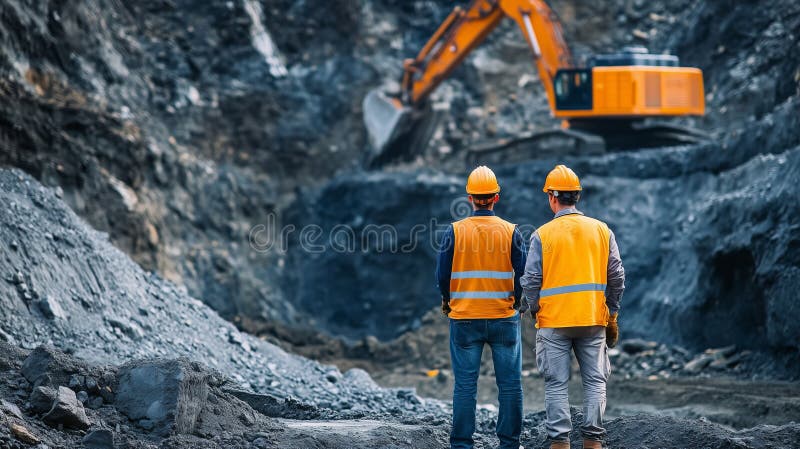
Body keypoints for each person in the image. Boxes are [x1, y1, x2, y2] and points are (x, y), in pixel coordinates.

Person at [520, 164, 625, 449]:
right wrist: (611, 313)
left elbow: (530, 280)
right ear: (576, 196)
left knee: (556, 385)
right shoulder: (602, 231)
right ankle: (593, 442)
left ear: (552, 198)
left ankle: (560, 444)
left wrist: (534, 308)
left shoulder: (542, 235)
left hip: (554, 321)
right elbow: (617, 276)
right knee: (594, 382)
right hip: (592, 319)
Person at [436, 165, 528, 449]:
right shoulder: (512, 232)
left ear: (470, 198)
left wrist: (448, 301)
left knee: (465, 386)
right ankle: (509, 444)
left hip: (464, 318)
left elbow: (442, 275)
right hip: (503, 317)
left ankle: (462, 444)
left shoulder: (454, 231)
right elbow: (523, 275)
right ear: (496, 197)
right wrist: (515, 301)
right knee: (510, 385)